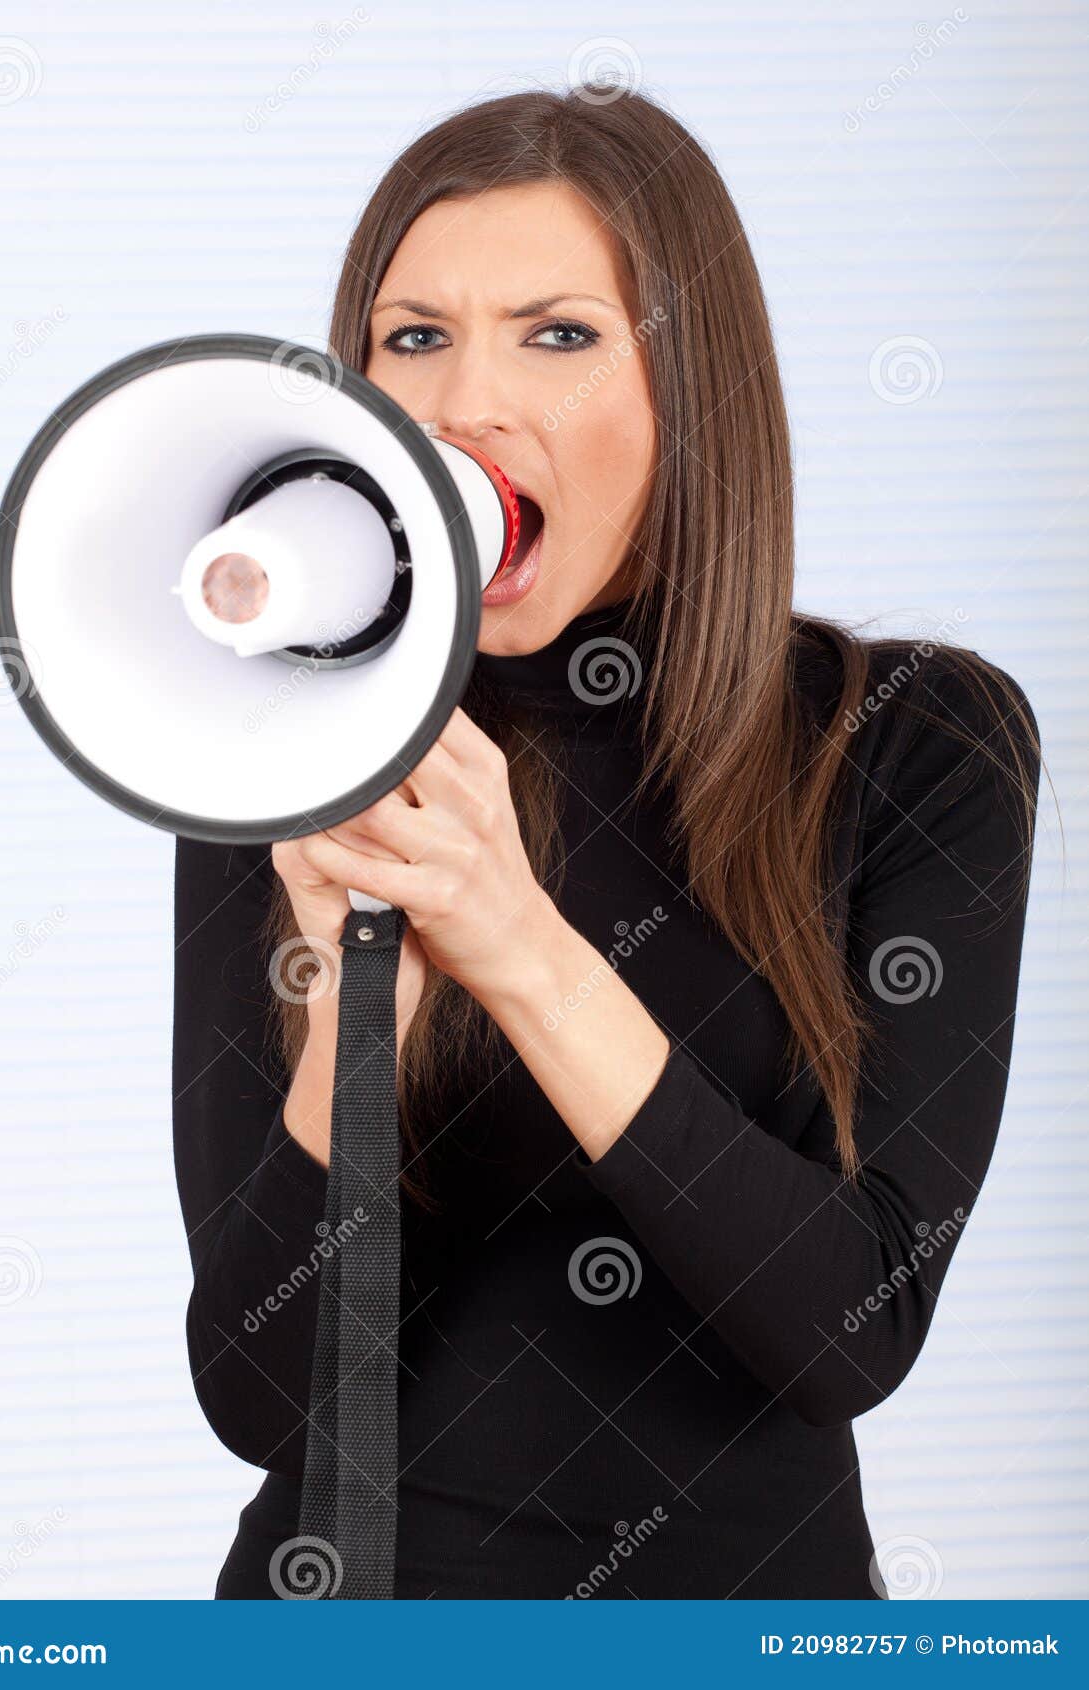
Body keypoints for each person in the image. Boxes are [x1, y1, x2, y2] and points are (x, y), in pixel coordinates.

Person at [171, 84, 1041, 1599]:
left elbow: (850, 1325)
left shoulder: (913, 740)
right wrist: (344, 1017)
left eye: (557, 333)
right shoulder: (297, 755)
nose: (464, 405)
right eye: (414, 337)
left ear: (687, 387)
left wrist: (521, 951)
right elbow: (256, 1399)